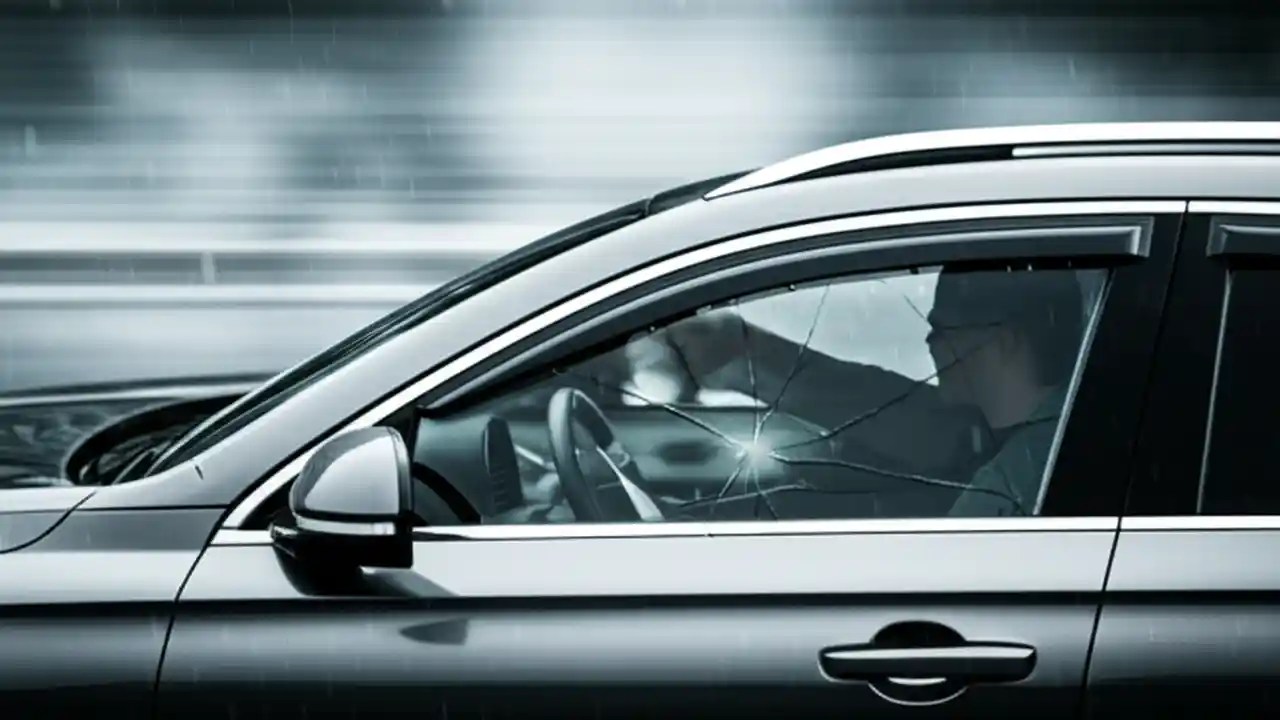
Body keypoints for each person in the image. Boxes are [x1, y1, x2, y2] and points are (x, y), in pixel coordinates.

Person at [654, 265, 1085, 517]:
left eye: (944, 328)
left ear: (1005, 341)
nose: (930, 343)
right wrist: (747, 351)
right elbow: (881, 402)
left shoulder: (1025, 473)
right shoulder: (997, 438)